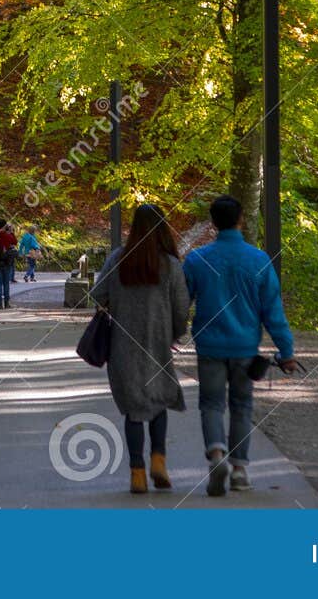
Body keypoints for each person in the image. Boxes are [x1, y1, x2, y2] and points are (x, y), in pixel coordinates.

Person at [183, 194, 298, 496]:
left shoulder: (197, 260)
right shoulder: (259, 260)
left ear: (213, 222)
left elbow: (181, 302)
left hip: (209, 346)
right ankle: (240, 470)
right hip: (245, 347)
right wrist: (286, 352)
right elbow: (273, 312)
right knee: (241, 406)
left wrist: (171, 333)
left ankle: (216, 453)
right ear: (240, 220)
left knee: (210, 403)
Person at [92, 203, 191, 494]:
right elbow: (182, 306)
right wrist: (175, 331)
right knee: (158, 400)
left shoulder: (118, 260)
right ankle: (158, 460)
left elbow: (98, 295)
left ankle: (137, 472)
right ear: (163, 228)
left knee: (134, 408)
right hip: (157, 343)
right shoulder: (171, 265)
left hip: (123, 346)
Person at [0, 218, 19, 308]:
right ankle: (7, 303)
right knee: (6, 283)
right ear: (5, 226)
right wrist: (11, 232)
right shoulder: (8, 236)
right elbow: (15, 242)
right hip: (7, 261)